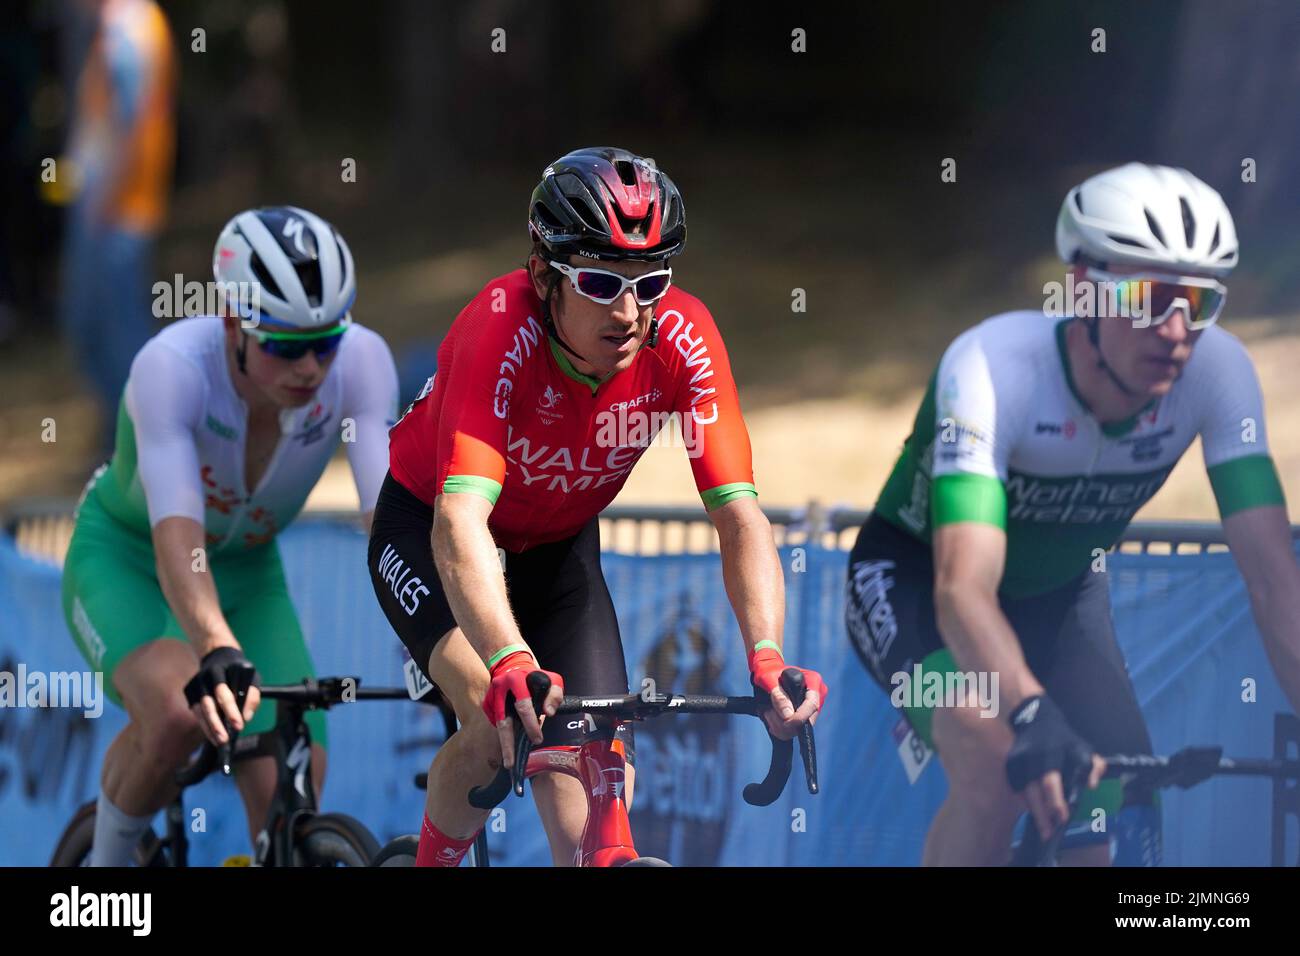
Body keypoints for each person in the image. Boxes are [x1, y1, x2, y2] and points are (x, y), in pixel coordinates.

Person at [369, 146, 827, 867]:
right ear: (545, 276)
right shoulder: (498, 328)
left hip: (557, 545)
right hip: (431, 529)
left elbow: (740, 517)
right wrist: (510, 659)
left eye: (650, 283)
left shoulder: (684, 337)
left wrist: (767, 656)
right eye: (599, 281)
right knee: (498, 725)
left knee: (598, 752)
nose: (628, 311)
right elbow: (459, 522)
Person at [844, 163, 1300, 865]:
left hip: (1059, 599)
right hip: (912, 588)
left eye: (1199, 303)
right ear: (1084, 289)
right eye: (1150, 298)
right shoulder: (994, 368)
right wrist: (1028, 709)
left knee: (1119, 802)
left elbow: (1275, 582)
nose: (1176, 330)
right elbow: (961, 587)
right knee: (998, 771)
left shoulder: (1221, 373)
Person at [61, 206, 400, 866]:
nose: (309, 366)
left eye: (325, 342)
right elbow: (177, 538)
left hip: (247, 572)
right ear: (233, 324)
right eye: (284, 346)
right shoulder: (172, 370)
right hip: (130, 561)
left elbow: (387, 520)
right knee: (175, 713)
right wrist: (215, 645)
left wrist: (445, 636)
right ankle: (98, 882)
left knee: (288, 786)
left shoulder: (362, 363)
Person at [59, 0, 177, 455]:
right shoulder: (127, 26)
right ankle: (123, 445)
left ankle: (136, 446)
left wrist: (102, 200)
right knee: (101, 327)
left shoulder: (130, 32)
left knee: (108, 329)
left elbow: (134, 125)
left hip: (115, 210)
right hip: (111, 204)